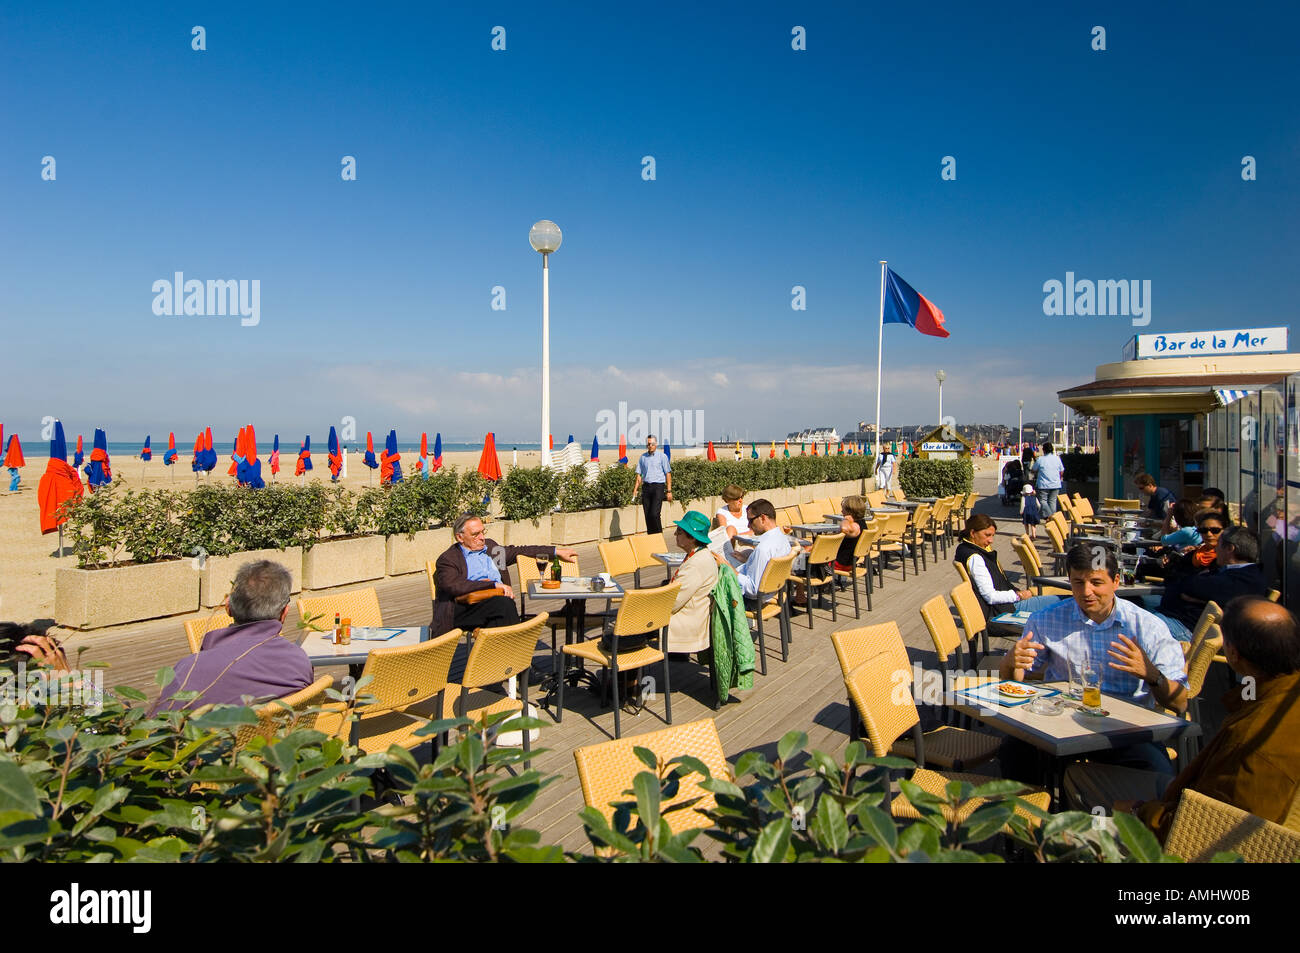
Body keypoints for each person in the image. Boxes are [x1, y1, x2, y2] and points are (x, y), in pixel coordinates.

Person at [1063, 596, 1300, 844]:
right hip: (1193, 796)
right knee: (1080, 775)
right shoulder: (1273, 698)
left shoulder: (1254, 739)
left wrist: (1139, 811)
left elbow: (1214, 829)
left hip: (1187, 832)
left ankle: (1097, 847)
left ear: (1233, 653)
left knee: (1076, 808)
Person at [1000, 544, 1188, 779]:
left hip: (1124, 729)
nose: (1086, 592)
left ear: (1116, 581)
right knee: (1013, 750)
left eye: (1096, 583)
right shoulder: (1045, 620)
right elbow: (1016, 685)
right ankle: (1031, 813)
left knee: (1155, 770)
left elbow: (1180, 703)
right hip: (1059, 724)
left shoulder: (1147, 627)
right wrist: (1009, 663)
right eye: (1078, 583)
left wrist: (1152, 675)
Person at [152, 560, 313, 713]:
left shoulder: (189, 671)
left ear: (228, 607)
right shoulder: (298, 661)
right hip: (281, 739)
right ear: (284, 613)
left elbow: (158, 731)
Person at [431, 514, 577, 636]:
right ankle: (518, 665)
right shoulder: (448, 558)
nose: (482, 538)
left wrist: (556, 551)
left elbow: (520, 551)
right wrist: (493, 584)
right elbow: (453, 586)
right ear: (460, 537)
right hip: (465, 608)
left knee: (498, 619)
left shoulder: (491, 548)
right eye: (475, 534)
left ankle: (503, 667)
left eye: (483, 532)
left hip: (497, 607)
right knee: (503, 604)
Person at [1153, 526, 1269, 641]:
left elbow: (1189, 586)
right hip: (1173, 616)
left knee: (1136, 622)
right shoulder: (1228, 570)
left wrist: (1192, 586)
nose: (1215, 549)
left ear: (1229, 548)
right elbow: (1187, 584)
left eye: (1218, 544)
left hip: (1186, 630)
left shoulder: (1246, 579)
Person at [954, 514, 1062, 636]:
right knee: (1066, 602)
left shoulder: (964, 549)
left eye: (992, 535)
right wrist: (1019, 595)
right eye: (987, 535)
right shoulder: (975, 558)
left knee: (1065, 604)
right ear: (973, 533)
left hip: (1004, 606)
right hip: (1004, 611)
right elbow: (991, 596)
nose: (991, 540)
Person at [666, 511, 725, 655]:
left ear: (692, 538)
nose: (675, 534)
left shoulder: (696, 564)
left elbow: (671, 603)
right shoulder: (701, 554)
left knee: (627, 629)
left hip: (685, 623)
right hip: (692, 615)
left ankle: (628, 676)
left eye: (679, 531)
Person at [736, 499, 798, 609]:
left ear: (763, 518)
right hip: (774, 592)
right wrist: (749, 560)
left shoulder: (763, 549)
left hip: (755, 601)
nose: (748, 525)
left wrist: (731, 570)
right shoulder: (784, 541)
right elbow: (768, 568)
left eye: (750, 520)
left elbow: (753, 590)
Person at [631, 434, 672, 534]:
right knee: (647, 515)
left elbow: (668, 473)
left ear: (656, 444)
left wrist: (669, 491)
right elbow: (639, 476)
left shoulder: (662, 457)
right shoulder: (643, 457)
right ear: (647, 445)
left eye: (652, 444)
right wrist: (635, 490)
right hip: (646, 487)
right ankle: (651, 537)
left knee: (654, 514)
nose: (650, 446)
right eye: (649, 444)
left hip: (658, 487)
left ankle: (659, 536)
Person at [713, 484, 750, 567]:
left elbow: (754, 530)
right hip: (732, 544)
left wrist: (739, 536)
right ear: (728, 500)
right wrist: (737, 537)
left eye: (741, 497)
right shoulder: (722, 512)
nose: (740, 500)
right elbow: (724, 533)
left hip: (748, 542)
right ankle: (730, 559)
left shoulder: (748, 509)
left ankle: (730, 562)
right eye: (737, 499)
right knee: (730, 529)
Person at [1030, 441, 1065, 516]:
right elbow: (1062, 471)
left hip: (1043, 484)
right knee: (1052, 501)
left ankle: (1049, 515)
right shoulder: (1057, 459)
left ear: (1044, 450)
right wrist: (1059, 477)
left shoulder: (1040, 459)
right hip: (1055, 484)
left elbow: (1033, 469)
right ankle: (1054, 517)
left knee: (1043, 500)